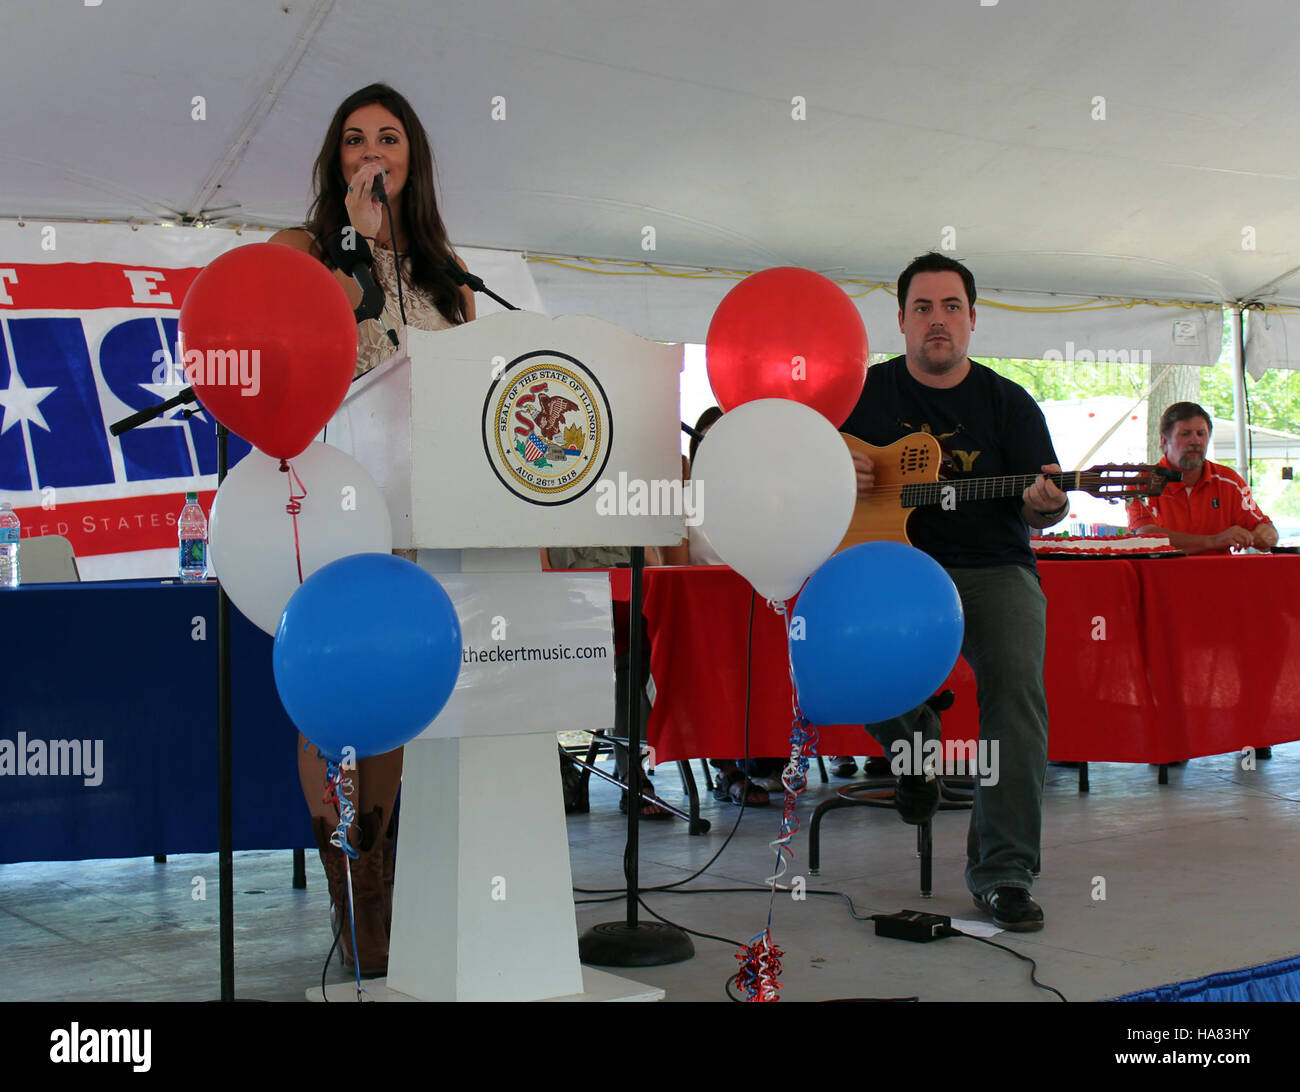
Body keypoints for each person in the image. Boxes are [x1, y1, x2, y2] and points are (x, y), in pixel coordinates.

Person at [269, 83, 476, 976]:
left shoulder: (446, 273)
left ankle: (384, 887)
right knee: (336, 688)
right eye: (355, 140)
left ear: (412, 159)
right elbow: (296, 338)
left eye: (389, 138)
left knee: (393, 692)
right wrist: (353, 240)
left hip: (425, 508)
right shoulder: (304, 248)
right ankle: (349, 896)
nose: (372, 153)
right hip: (332, 500)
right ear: (337, 160)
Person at [840, 252, 1068, 932]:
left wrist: (1048, 503)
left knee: (1017, 691)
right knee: (847, 658)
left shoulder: (1008, 402)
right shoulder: (859, 394)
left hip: (994, 567)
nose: (937, 320)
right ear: (901, 320)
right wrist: (831, 461)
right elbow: (794, 466)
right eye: (923, 307)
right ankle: (915, 748)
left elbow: (1042, 508)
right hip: (890, 566)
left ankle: (1004, 872)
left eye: (950, 307)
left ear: (972, 319)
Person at [1126, 402, 1278, 555]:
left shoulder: (1229, 481)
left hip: (1219, 570)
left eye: (1201, 434)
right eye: (1185, 434)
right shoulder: (1141, 484)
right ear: (1164, 441)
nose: (1195, 441)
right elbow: (1147, 537)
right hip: (1165, 571)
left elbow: (1267, 530)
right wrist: (1215, 541)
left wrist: (1265, 536)